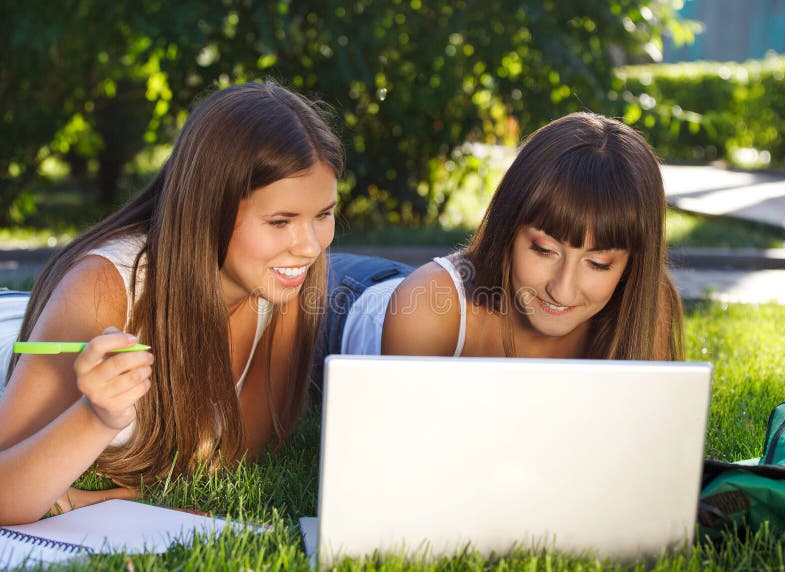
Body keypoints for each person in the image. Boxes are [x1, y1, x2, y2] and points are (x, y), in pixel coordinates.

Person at [0, 80, 343, 525]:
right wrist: (97, 417)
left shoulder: (284, 282)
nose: (309, 246)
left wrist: (97, 496)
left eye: (323, 214)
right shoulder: (102, 288)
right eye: (280, 221)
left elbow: (240, 451)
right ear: (209, 207)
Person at [313, 112, 682, 394]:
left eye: (599, 263)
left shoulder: (645, 306)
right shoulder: (429, 311)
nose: (563, 290)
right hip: (339, 305)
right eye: (543, 250)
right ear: (508, 229)